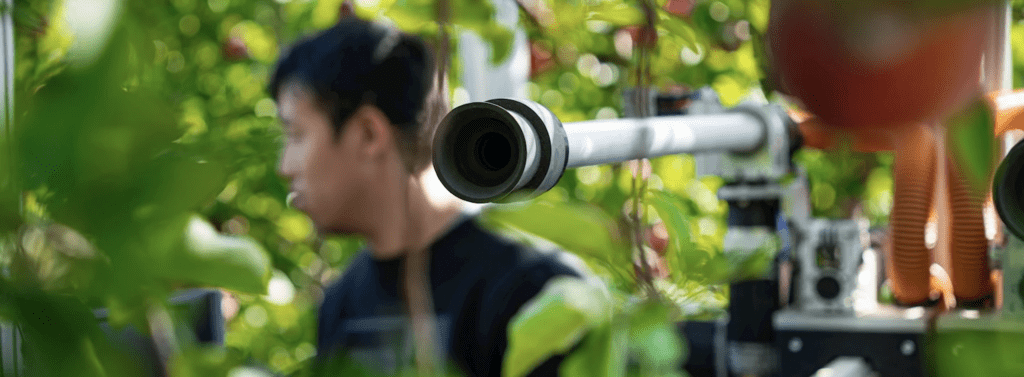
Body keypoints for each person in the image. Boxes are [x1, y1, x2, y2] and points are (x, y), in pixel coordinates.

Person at [269, 17, 588, 376]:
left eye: (296, 135)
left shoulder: (526, 290)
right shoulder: (342, 303)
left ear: (368, 133)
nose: (284, 166)